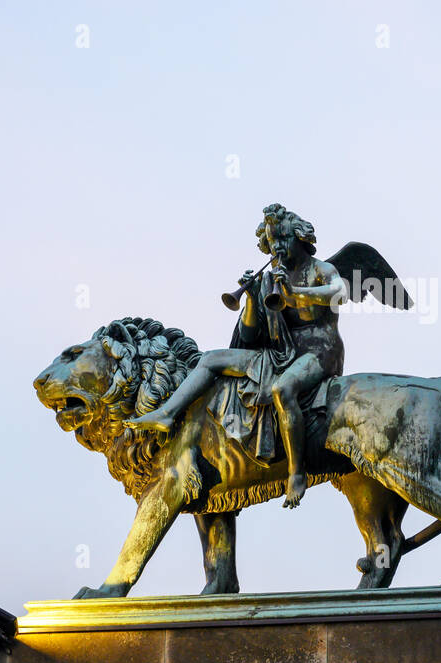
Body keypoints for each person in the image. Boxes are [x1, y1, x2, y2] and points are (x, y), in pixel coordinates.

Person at [127, 204, 347, 508]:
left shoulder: (321, 270)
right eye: (272, 243)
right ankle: (167, 413)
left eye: (282, 239)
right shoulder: (271, 278)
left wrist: (295, 293)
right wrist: (252, 299)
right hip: (280, 354)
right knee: (212, 359)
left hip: (319, 352)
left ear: (299, 238)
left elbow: (340, 292)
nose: (277, 248)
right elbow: (247, 338)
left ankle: (296, 473)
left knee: (283, 390)